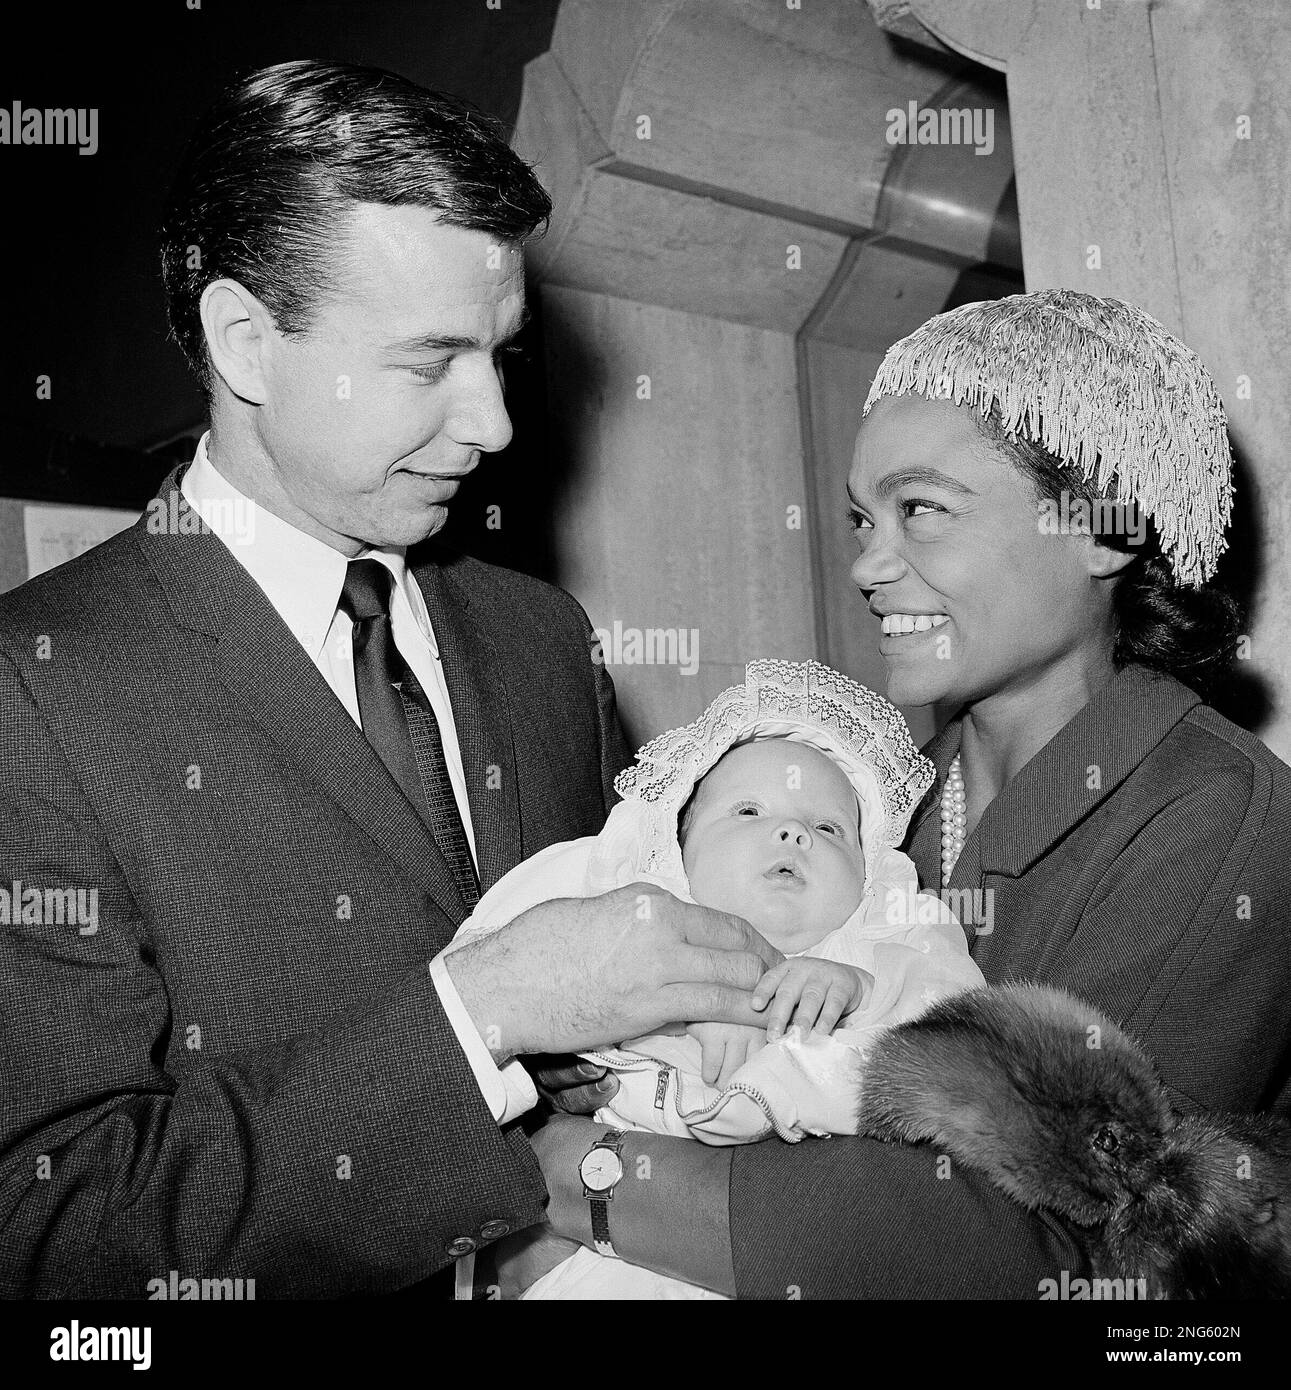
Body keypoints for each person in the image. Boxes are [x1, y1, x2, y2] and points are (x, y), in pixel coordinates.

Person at [0, 59, 780, 1300]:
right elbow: (55, 1233)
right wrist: (481, 1011)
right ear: (245, 342)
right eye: (429, 364)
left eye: (502, 358)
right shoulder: (31, 694)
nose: (496, 427)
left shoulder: (540, 637)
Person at [520, 290, 1291, 1299]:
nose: (868, 566)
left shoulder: (1218, 816)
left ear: (1103, 529)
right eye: (859, 517)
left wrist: (575, 1169)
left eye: (921, 510)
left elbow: (1046, 1250)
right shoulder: (884, 803)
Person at [443, 659, 984, 1297]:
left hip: (786, 1250)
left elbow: (962, 1028)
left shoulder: (877, 943)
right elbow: (489, 971)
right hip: (597, 1252)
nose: (791, 832)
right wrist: (681, 1000)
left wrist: (863, 991)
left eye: (829, 828)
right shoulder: (628, 912)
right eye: (748, 811)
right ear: (677, 843)